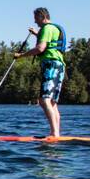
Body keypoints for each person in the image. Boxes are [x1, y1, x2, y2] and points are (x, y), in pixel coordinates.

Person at [14, 7, 66, 138]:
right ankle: (56, 134)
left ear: (42, 17)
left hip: (51, 64)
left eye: (36, 18)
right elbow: (48, 42)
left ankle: (54, 134)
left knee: (44, 100)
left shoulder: (47, 28)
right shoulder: (52, 29)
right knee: (52, 102)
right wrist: (37, 34)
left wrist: (21, 55)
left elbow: (40, 48)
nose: (35, 21)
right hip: (58, 65)